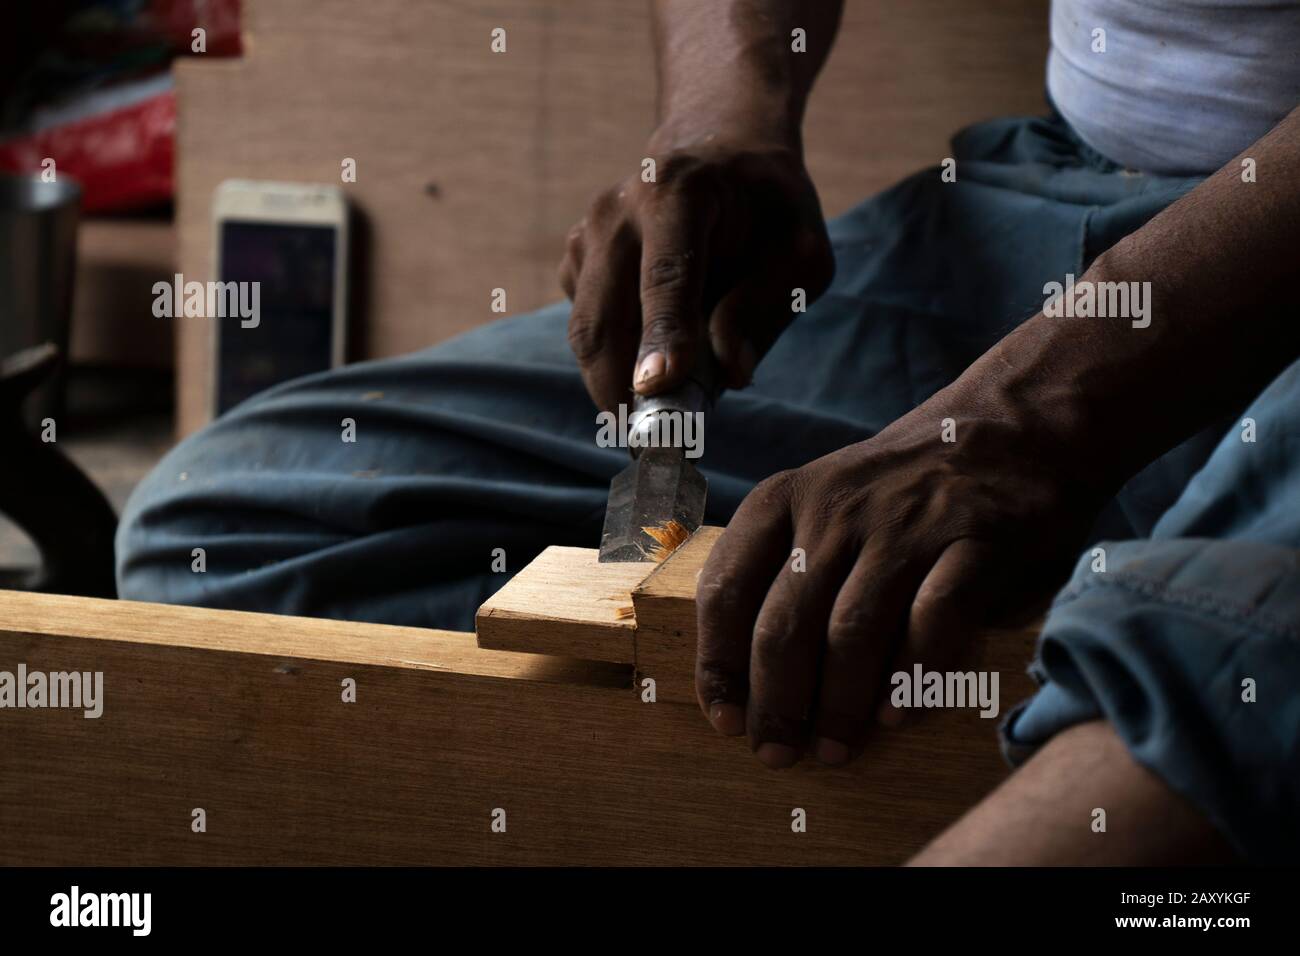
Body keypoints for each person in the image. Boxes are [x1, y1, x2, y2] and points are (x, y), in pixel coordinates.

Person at [117, 1, 1300, 864]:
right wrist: (725, 112)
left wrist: (1029, 414)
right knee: (244, 528)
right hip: (1053, 201)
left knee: (1233, 657)